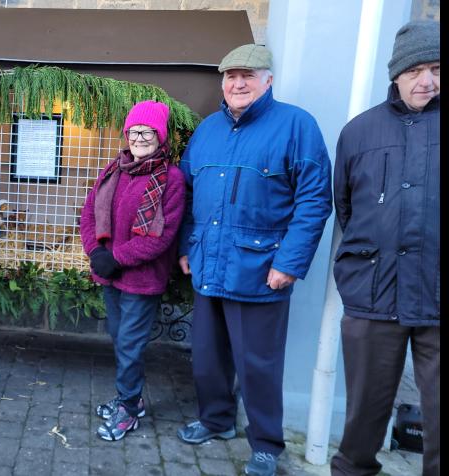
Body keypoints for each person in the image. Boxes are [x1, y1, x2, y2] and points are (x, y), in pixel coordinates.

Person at [175, 44, 332, 476]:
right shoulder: (207, 130)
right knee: (207, 355)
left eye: (248, 75)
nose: (238, 83)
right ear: (222, 83)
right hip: (209, 264)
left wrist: (289, 263)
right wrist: (187, 246)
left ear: (268, 80)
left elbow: (315, 201)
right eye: (230, 76)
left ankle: (265, 443)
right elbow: (187, 194)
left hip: (262, 271)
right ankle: (216, 421)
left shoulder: (297, 126)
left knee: (258, 364)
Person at [330, 20, 440, 476]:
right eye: (416, 69)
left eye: (436, 68)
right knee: (362, 421)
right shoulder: (359, 132)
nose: (427, 80)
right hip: (374, 296)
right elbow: (346, 208)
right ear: (396, 73)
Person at [80, 100, 185, 441]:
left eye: (148, 131)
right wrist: (95, 251)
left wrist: (116, 257)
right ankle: (133, 399)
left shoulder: (171, 179)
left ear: (161, 136)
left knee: (129, 343)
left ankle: (128, 409)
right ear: (126, 135)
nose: (140, 138)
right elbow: (88, 215)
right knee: (117, 334)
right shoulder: (113, 171)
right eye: (134, 131)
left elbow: (161, 237)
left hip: (141, 278)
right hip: (110, 274)